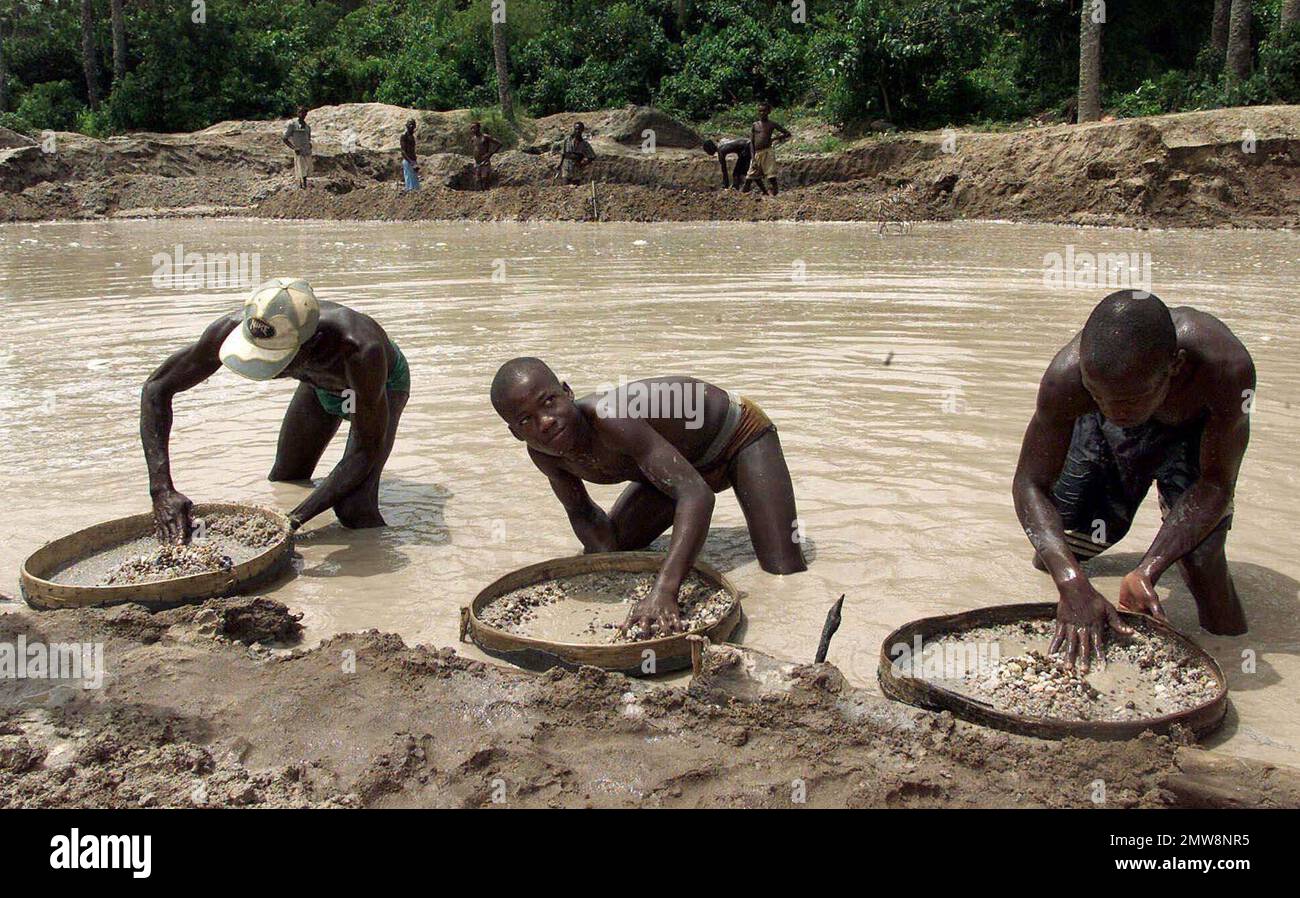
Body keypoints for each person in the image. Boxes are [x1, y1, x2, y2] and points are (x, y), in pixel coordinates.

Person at [1012, 290, 1255, 673]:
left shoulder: (1226, 369)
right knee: (1061, 551)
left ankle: (1233, 659)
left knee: (1203, 562)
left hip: (1193, 437)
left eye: (1127, 401)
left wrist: (1149, 570)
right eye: (1098, 396)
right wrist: (1071, 580)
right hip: (1109, 439)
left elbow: (1216, 483)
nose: (1112, 410)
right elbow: (1029, 483)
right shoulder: (1066, 380)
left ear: (1174, 366)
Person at [490, 359, 807, 634]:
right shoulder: (545, 455)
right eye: (525, 420)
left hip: (737, 436)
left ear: (567, 392)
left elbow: (697, 495)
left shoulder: (608, 417)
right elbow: (582, 513)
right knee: (617, 547)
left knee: (782, 571)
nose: (545, 422)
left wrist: (664, 591)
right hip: (679, 463)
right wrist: (605, 575)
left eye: (549, 402)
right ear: (515, 433)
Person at [141, 277, 410, 541]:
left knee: (354, 511)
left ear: (310, 343)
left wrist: (292, 521)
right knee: (286, 479)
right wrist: (162, 490)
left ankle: (383, 554)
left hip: (377, 388)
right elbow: (157, 388)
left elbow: (365, 450)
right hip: (319, 387)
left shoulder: (361, 349)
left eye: (278, 358)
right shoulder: (234, 328)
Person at [745, 102, 791, 196]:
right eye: (760, 111)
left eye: (764, 111)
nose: (762, 113)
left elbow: (787, 133)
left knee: (771, 176)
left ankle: (775, 194)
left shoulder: (771, 124)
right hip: (757, 153)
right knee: (750, 176)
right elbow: (752, 142)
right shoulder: (755, 125)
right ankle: (742, 196)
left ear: (768, 112)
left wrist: (775, 138)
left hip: (767, 152)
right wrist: (753, 157)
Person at [282, 107, 313, 189]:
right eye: (300, 112)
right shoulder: (293, 125)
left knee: (308, 168)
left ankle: (305, 185)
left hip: (307, 150)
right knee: (301, 168)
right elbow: (285, 139)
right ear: (297, 113)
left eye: (303, 112)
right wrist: (294, 147)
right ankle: (303, 185)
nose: (302, 114)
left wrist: (309, 145)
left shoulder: (307, 127)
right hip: (299, 151)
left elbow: (308, 138)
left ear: (306, 114)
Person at [469, 121, 503, 191]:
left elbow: (499, 144)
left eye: (474, 128)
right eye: (471, 128)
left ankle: (487, 194)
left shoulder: (485, 137)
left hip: (485, 161)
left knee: (485, 178)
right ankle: (481, 197)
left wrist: (491, 153)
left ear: (479, 128)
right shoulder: (473, 139)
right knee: (478, 180)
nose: (472, 130)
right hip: (477, 162)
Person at [400, 119, 420, 192]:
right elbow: (403, 151)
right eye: (410, 125)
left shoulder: (412, 137)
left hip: (412, 161)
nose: (411, 126)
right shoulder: (404, 136)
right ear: (406, 126)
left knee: (415, 182)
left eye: (412, 125)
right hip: (408, 161)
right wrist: (411, 162)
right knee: (410, 183)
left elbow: (413, 150)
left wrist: (415, 162)